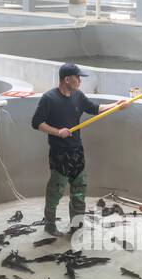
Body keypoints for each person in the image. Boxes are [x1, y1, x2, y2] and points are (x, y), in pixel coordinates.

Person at [31, 63, 124, 235]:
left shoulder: (78, 96)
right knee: (56, 190)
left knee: (79, 190)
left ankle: (77, 225)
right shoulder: (49, 99)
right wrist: (58, 132)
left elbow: (96, 109)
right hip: (60, 153)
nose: (80, 81)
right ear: (67, 79)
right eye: (77, 77)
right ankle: (50, 225)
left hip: (77, 152)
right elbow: (37, 123)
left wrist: (117, 105)